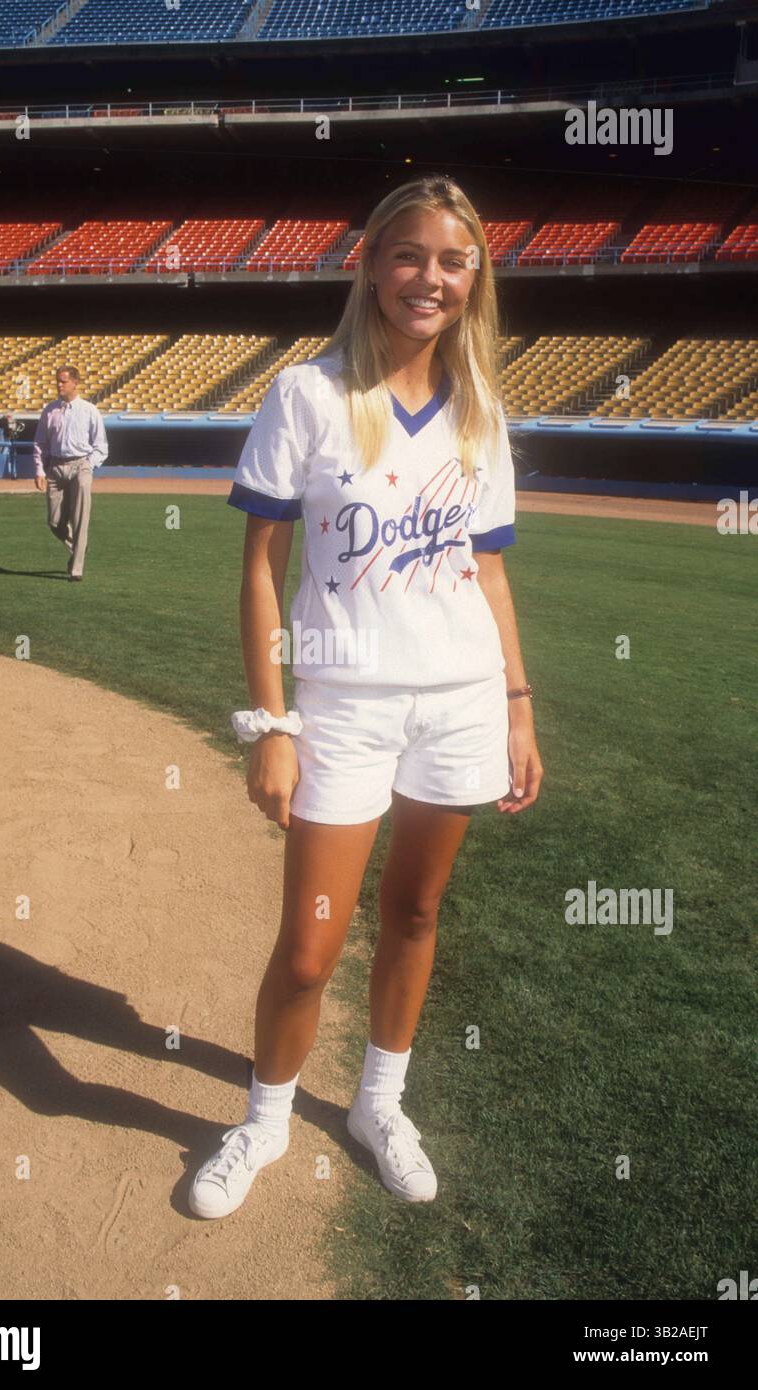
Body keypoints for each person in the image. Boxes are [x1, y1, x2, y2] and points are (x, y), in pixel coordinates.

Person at [188, 174, 544, 1220]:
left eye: (451, 259)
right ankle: (262, 1120)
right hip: (339, 706)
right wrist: (270, 723)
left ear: (473, 277)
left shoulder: (481, 410)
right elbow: (260, 566)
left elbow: (486, 571)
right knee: (308, 943)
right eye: (406, 255)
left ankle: (377, 1104)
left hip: (462, 699)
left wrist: (517, 703)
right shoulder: (306, 394)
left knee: (416, 909)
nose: (426, 277)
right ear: (368, 264)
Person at [33, 366, 108, 581]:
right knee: (54, 522)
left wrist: (88, 466)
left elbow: (101, 445)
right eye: (57, 381)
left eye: (63, 381)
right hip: (55, 468)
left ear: (75, 382)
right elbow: (40, 443)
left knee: (80, 519)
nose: (59, 385)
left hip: (81, 465)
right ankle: (79, 548)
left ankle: (76, 570)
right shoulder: (50, 410)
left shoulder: (89, 410)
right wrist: (39, 470)